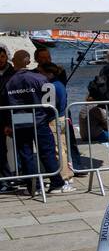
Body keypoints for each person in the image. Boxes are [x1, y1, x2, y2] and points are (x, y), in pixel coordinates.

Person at [1, 50, 72, 195]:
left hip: (19, 121)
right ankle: (56, 183)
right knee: (47, 152)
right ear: (28, 62)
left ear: (16, 62)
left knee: (26, 154)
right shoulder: (39, 78)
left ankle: (33, 186)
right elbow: (51, 103)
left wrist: (8, 124)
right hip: (39, 119)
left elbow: (5, 104)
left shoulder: (9, 82)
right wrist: (47, 117)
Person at [0, 45, 15, 192]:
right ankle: (5, 178)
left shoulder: (13, 74)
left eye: (2, 57)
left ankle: (9, 178)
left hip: (9, 116)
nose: (0, 60)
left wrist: (9, 123)